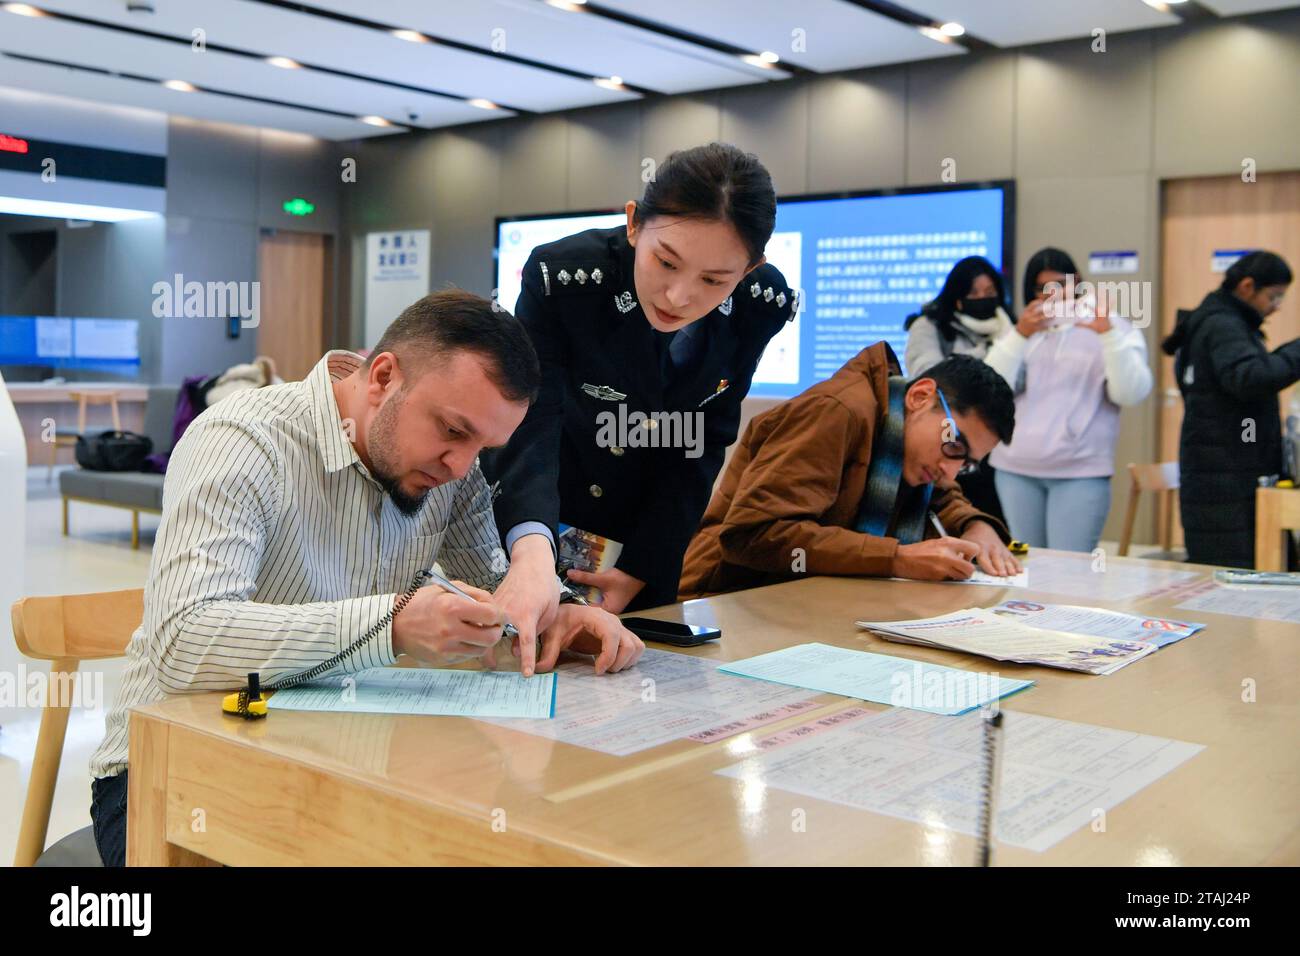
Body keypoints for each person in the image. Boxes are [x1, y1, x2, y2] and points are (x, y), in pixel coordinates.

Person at [87, 290, 643, 866]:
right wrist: (393, 625)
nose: (461, 464)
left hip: (344, 762)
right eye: (453, 430)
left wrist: (554, 614)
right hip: (172, 770)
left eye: (482, 445)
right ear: (382, 377)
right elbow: (184, 642)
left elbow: (497, 596)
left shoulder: (452, 472)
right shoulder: (242, 442)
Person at [483, 142, 796, 628]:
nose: (679, 296)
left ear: (750, 269)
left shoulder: (762, 305)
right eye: (666, 262)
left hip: (645, 540)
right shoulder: (565, 282)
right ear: (633, 223)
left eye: (715, 280)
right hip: (545, 515)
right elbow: (530, 426)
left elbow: (702, 440)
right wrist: (531, 551)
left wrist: (643, 564)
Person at [679, 347, 1020, 599]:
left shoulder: (900, 431)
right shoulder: (836, 412)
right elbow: (753, 536)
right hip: (722, 604)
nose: (951, 471)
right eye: (953, 446)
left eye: (967, 463)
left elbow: (941, 493)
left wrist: (976, 525)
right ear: (920, 396)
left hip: (799, 603)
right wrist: (896, 558)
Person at [984, 247, 1152, 553]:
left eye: (1063, 285)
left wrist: (1109, 336)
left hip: (1080, 471)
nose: (1056, 295)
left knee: (1069, 572)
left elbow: (1132, 392)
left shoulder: (1112, 326)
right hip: (1015, 468)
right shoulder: (1021, 329)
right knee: (1026, 567)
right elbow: (990, 388)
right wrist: (1020, 334)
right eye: (1043, 288)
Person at [1162, 250, 1295, 567]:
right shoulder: (1223, 325)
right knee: (1230, 582)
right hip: (1224, 479)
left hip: (1223, 472)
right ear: (1247, 286)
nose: (1276, 307)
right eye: (1273, 296)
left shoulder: (1218, 320)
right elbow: (1249, 378)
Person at [904, 255, 1015, 522]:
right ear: (957, 296)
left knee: (986, 521)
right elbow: (930, 373)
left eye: (989, 292)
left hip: (990, 449)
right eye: (974, 292)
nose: (983, 298)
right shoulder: (930, 326)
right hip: (946, 437)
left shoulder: (1010, 329)